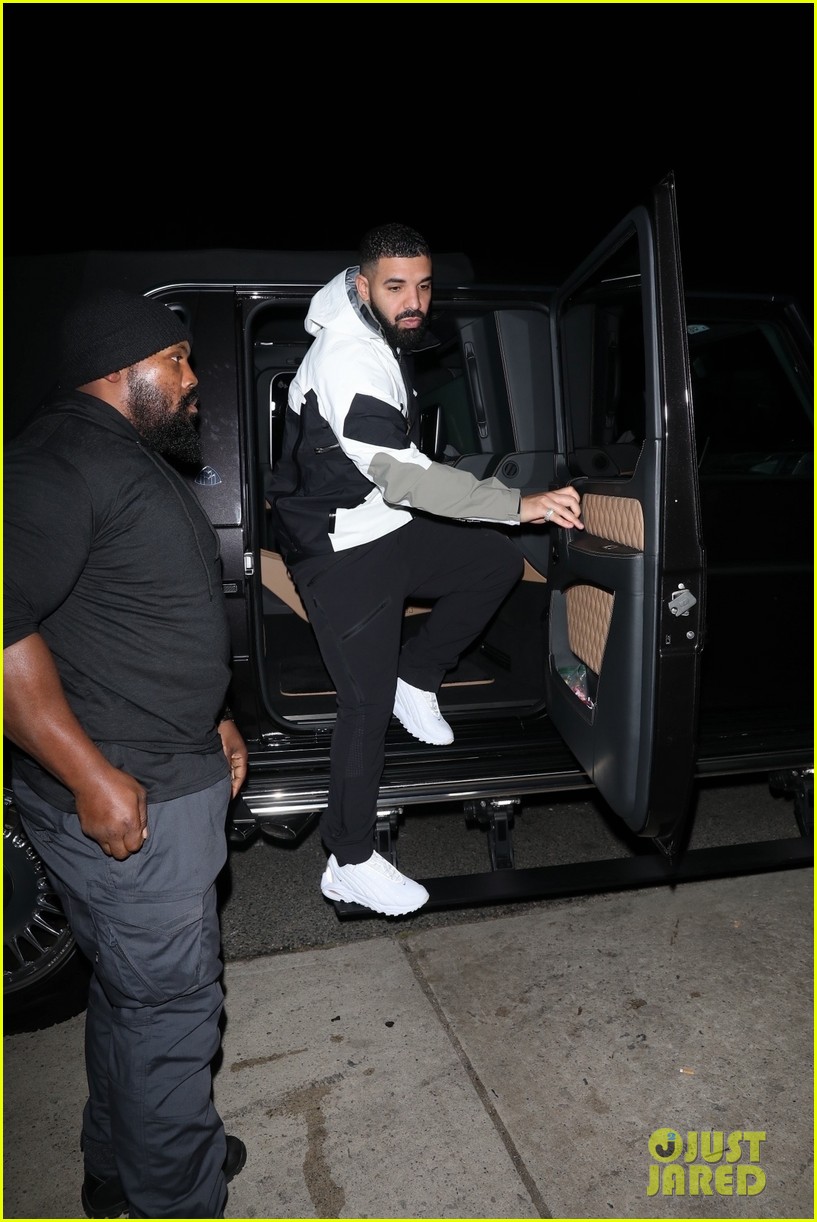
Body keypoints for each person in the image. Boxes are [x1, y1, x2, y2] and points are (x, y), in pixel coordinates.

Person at [3, 290, 249, 1219]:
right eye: (178, 361)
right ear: (120, 367)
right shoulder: (57, 462)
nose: (191, 381)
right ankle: (175, 1197)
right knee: (173, 1011)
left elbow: (133, 620)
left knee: (130, 994)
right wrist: (89, 776)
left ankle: (125, 1157)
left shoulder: (112, 454)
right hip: (128, 799)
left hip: (164, 764)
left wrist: (214, 718)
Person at [266, 222, 584, 918]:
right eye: (395, 286)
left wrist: (493, 514)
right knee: (363, 707)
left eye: (422, 284)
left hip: (382, 525)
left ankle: (420, 672)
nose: (413, 300)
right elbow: (404, 476)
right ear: (361, 285)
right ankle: (347, 860)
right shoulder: (347, 360)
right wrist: (517, 502)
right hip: (337, 549)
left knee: (490, 565)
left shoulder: (381, 337)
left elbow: (399, 480)